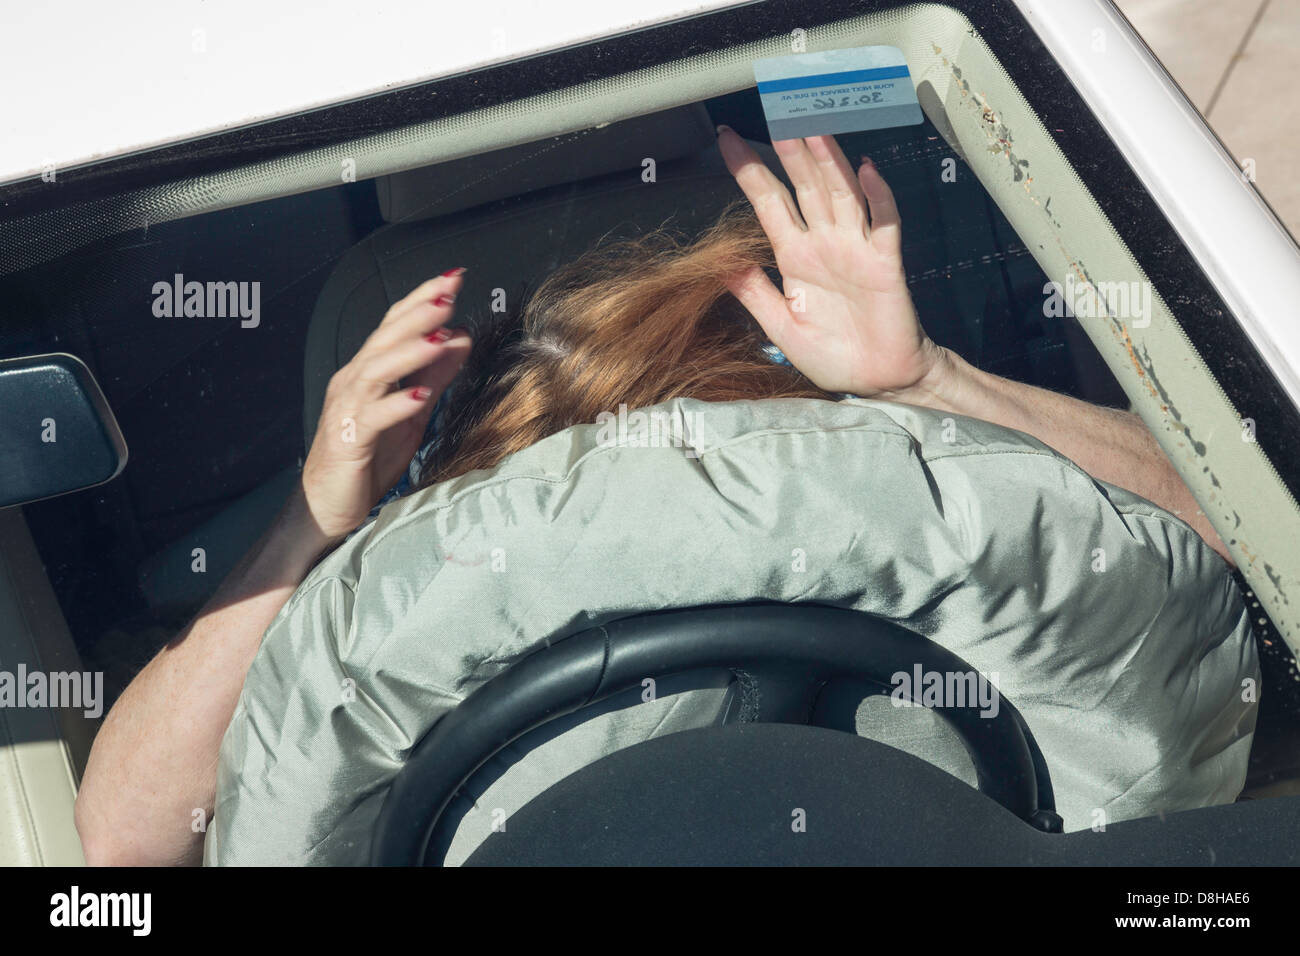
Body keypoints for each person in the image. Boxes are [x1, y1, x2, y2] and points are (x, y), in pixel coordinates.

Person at [73, 128, 1231, 866]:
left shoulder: (914, 538)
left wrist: (924, 384)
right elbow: (124, 840)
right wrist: (316, 517)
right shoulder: (960, 556)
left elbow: (1250, 534)